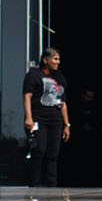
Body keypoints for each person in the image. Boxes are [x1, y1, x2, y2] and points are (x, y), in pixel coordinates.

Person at [23, 47, 70, 187]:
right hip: (39, 118)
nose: (58, 62)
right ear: (46, 60)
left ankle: (51, 186)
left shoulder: (59, 77)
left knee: (53, 153)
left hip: (55, 120)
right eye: (55, 59)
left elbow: (63, 102)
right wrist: (28, 118)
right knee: (39, 150)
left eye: (59, 59)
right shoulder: (34, 75)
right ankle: (34, 184)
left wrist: (67, 124)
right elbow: (27, 96)